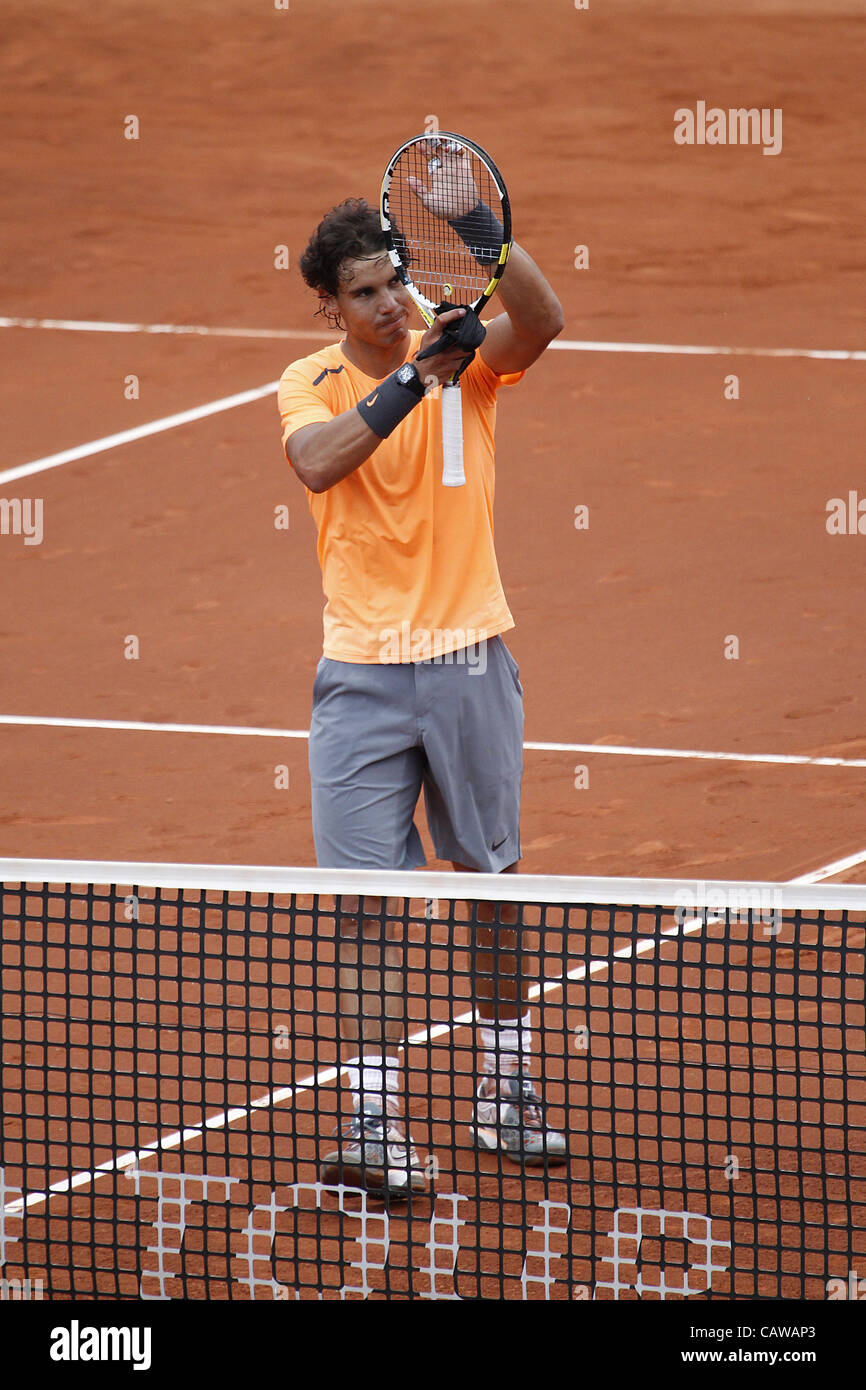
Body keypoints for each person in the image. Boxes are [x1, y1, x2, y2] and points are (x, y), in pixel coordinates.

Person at [278, 160, 564, 1196]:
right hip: (359, 676)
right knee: (364, 909)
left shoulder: (470, 352)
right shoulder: (310, 382)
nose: (389, 300)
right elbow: (318, 463)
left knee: (489, 886)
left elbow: (544, 315)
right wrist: (416, 377)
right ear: (328, 305)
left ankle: (504, 1089)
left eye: (394, 278)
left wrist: (476, 224)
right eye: (363, 290)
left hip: (467, 660)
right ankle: (374, 1122)